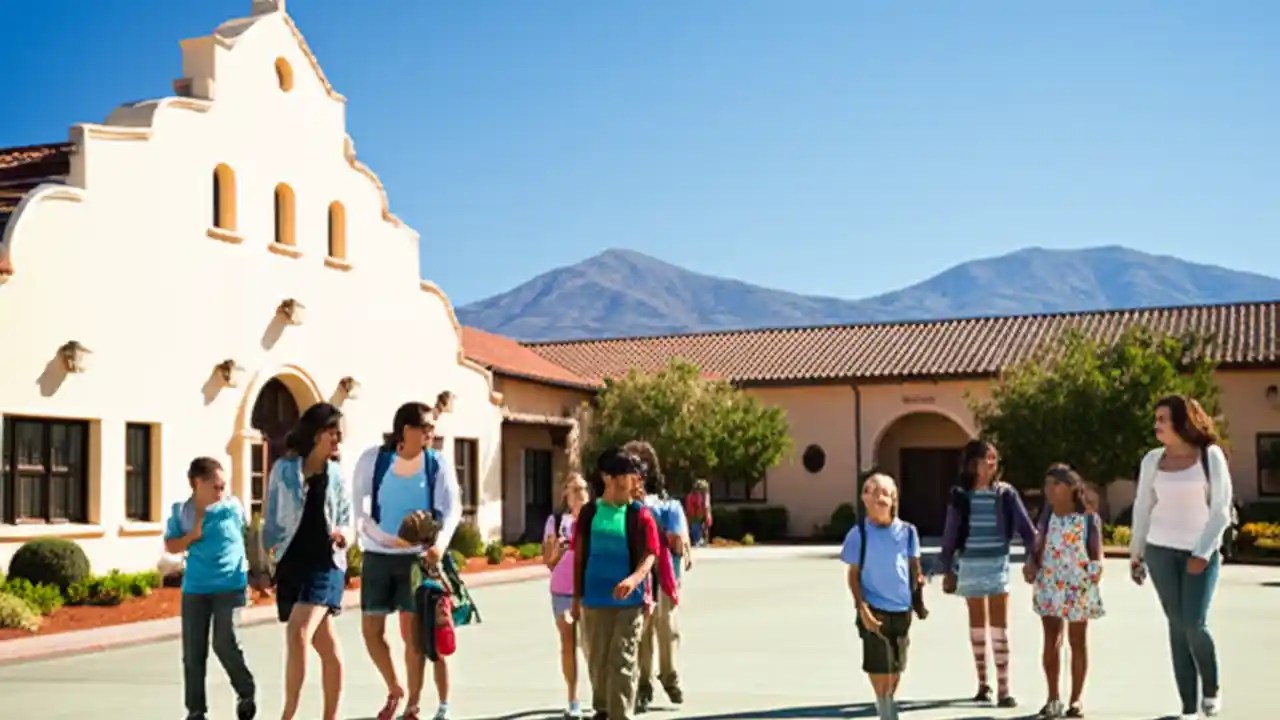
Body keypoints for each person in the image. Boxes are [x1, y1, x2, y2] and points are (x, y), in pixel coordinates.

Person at [354, 402, 462, 720]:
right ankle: (394, 688)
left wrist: (439, 544)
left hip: (416, 560)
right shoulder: (373, 460)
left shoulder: (436, 463)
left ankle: (413, 704)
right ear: (406, 430)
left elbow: (451, 507)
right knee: (371, 630)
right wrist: (389, 540)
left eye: (432, 427)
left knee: (413, 636)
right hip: (378, 555)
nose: (431, 433)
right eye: (426, 427)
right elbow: (359, 510)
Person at [1129, 395, 1233, 720]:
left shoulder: (1209, 457)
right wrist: (1137, 553)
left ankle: (1211, 690)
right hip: (1160, 551)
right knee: (1176, 626)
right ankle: (1188, 706)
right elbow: (1142, 507)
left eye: (1162, 418)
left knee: (1194, 623)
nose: (1156, 425)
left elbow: (1221, 511)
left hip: (1199, 553)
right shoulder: (1152, 460)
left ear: (1181, 421)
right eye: (1156, 418)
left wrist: (1202, 553)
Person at [262, 402, 352, 720]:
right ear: (317, 433)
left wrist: (343, 535)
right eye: (334, 432)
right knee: (324, 644)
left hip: (326, 565)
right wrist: (268, 564)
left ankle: (288, 715)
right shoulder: (283, 471)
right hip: (292, 564)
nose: (339, 439)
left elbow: (346, 519)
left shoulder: (337, 476)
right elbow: (271, 519)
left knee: (298, 631)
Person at [937, 439, 1038, 708]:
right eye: (986, 458)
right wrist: (946, 568)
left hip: (997, 564)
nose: (991, 464)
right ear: (972, 463)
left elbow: (1027, 529)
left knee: (1000, 626)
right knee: (977, 625)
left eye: (994, 458)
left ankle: (1004, 689)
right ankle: (983, 685)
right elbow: (950, 531)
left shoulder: (1005, 493)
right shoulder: (960, 494)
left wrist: (1035, 557)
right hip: (970, 563)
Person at [572, 447, 668, 720]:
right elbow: (579, 557)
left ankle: (620, 715)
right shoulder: (590, 514)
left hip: (630, 602)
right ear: (608, 478)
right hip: (594, 599)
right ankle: (603, 709)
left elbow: (651, 554)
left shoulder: (640, 514)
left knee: (623, 661)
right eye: (627, 474)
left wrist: (635, 579)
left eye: (635, 475)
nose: (634, 481)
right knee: (598, 662)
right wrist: (576, 599)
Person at [165, 457, 256, 720]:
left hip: (230, 586)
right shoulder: (182, 512)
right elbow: (171, 545)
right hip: (195, 589)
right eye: (216, 486)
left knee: (223, 641)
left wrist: (257, 572)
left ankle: (245, 691)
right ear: (198, 483)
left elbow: (245, 537)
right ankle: (196, 710)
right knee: (193, 652)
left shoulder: (233, 508)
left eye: (223, 486)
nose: (221, 492)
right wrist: (191, 537)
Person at [841, 473, 923, 720]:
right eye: (872, 491)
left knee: (897, 665)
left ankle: (886, 699)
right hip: (873, 607)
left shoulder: (908, 532)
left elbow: (913, 565)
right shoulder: (858, 534)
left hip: (902, 609)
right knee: (878, 663)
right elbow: (853, 575)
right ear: (864, 499)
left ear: (894, 498)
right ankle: (885, 706)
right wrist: (861, 607)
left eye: (884, 492)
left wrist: (919, 583)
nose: (879, 497)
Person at [1025, 464, 1104, 719]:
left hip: (1078, 584)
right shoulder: (1046, 517)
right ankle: (1052, 698)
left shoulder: (1088, 518)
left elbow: (1096, 551)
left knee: (1077, 641)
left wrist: (1097, 569)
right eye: (1047, 484)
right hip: (1049, 582)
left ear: (1072, 488)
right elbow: (1037, 545)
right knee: (1051, 639)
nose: (1050, 489)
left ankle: (1076, 699)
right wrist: (1031, 563)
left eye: (1056, 484)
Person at [624, 440, 690, 713]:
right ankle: (644, 684)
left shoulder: (668, 506)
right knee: (642, 633)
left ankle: (670, 674)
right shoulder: (624, 507)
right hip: (638, 575)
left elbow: (677, 543)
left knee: (667, 628)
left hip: (664, 576)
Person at [543, 473, 591, 719]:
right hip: (562, 589)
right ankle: (573, 698)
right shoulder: (556, 521)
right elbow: (549, 562)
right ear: (566, 494)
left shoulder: (595, 520)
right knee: (568, 643)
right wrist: (559, 551)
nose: (581, 492)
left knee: (591, 645)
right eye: (575, 489)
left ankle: (600, 694)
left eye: (583, 488)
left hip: (590, 590)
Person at [684, 480, 712, 547]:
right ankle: (699, 540)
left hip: (696, 514)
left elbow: (706, 506)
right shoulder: (701, 495)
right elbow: (705, 506)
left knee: (698, 527)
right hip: (696, 514)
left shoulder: (692, 495)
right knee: (697, 527)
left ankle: (700, 540)